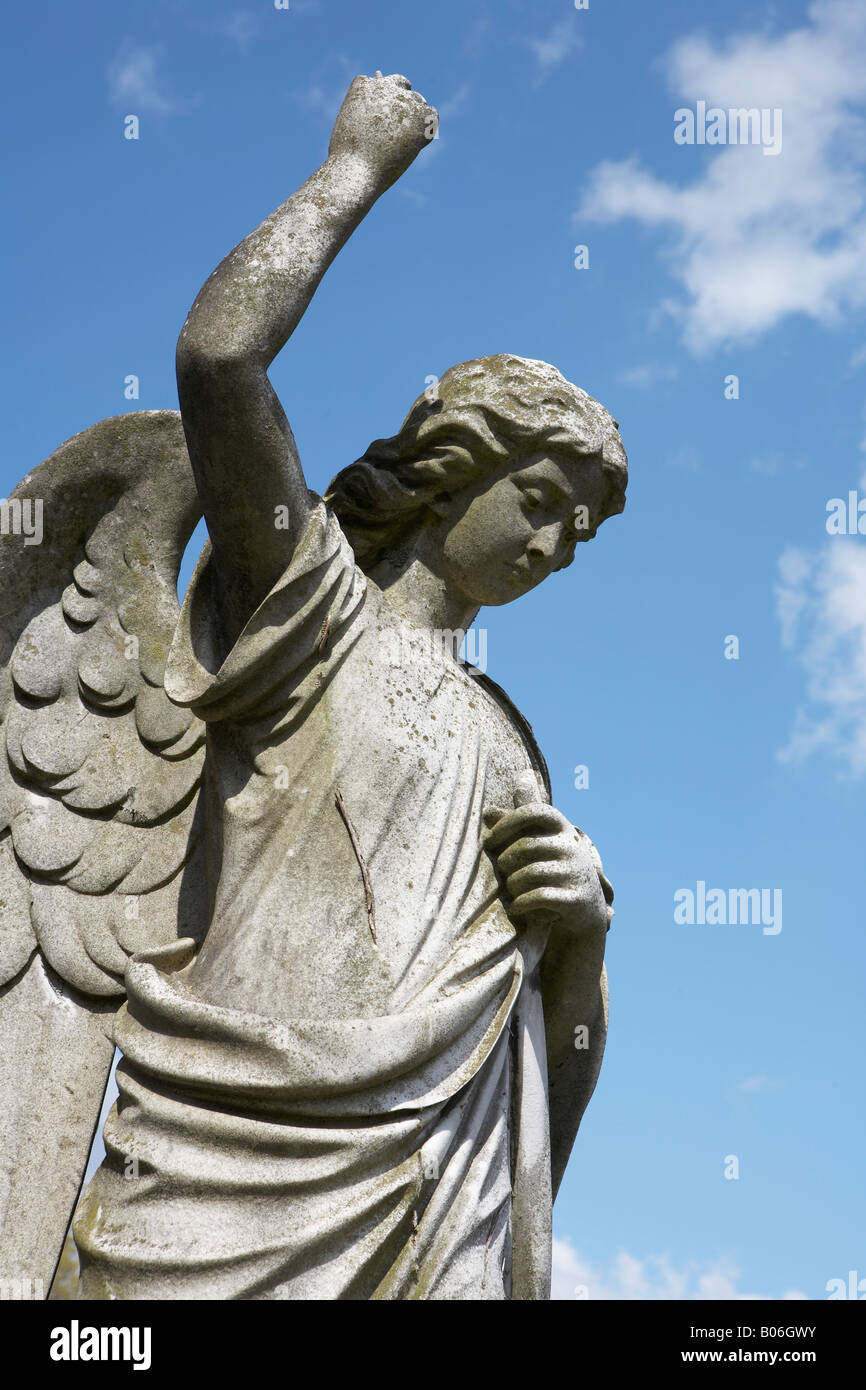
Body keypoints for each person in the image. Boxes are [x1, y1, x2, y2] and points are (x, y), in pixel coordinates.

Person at [74, 71, 627, 1301]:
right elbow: (218, 357)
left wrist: (583, 945)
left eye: (576, 537)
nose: (548, 549)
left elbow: (551, 1085)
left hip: (447, 1200)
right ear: (454, 468)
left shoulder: (511, 748)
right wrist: (355, 168)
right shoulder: (310, 607)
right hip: (226, 1167)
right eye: (538, 504)